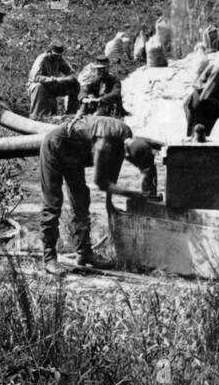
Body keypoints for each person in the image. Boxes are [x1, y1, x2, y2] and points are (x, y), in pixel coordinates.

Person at [37, 114, 156, 271]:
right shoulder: (104, 144)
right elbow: (100, 182)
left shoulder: (125, 135)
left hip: (74, 155)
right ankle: (49, 259)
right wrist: (132, 194)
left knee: (81, 202)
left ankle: (84, 254)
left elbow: (112, 178)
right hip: (55, 147)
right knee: (53, 203)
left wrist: (112, 206)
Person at [27, 43, 80, 119]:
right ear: (49, 52)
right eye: (55, 55)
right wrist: (55, 79)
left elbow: (70, 72)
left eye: (59, 55)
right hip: (41, 86)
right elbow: (35, 77)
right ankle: (34, 116)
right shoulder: (42, 59)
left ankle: (71, 114)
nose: (57, 57)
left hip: (52, 85)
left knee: (74, 84)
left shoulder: (59, 58)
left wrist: (71, 78)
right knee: (38, 86)